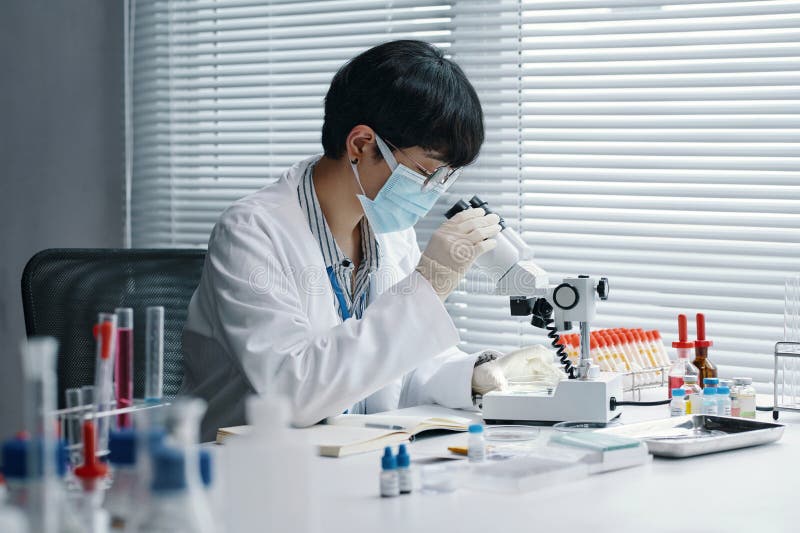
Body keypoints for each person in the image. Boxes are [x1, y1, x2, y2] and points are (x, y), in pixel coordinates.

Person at [181, 40, 531, 440]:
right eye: (428, 172)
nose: (435, 190)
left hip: (349, 459)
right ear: (362, 145)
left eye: (447, 177)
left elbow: (397, 365)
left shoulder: (390, 231)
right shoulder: (251, 232)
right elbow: (293, 392)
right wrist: (430, 285)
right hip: (246, 467)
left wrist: (478, 374)